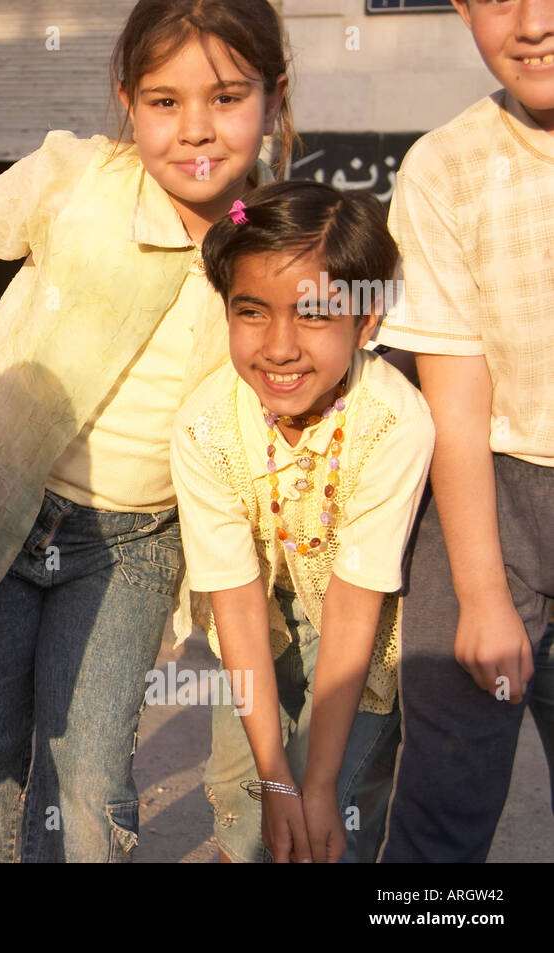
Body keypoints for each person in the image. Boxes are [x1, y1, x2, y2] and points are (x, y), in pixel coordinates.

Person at [0, 0, 294, 861]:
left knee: (88, 775)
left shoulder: (272, 241)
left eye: (226, 98)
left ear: (274, 97)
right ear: (126, 100)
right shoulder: (78, 177)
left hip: (133, 542)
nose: (195, 129)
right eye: (164, 101)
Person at [171, 181, 434, 863]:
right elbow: (233, 598)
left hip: (361, 629)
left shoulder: (394, 423)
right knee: (245, 800)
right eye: (252, 311)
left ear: (366, 321)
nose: (279, 347)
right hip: (256, 616)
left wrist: (315, 784)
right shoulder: (206, 427)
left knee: (333, 819)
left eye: (314, 315)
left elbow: (355, 606)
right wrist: (275, 775)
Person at [373, 0, 554, 862]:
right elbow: (456, 388)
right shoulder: (444, 167)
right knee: (443, 804)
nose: (531, 22)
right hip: (489, 494)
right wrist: (483, 594)